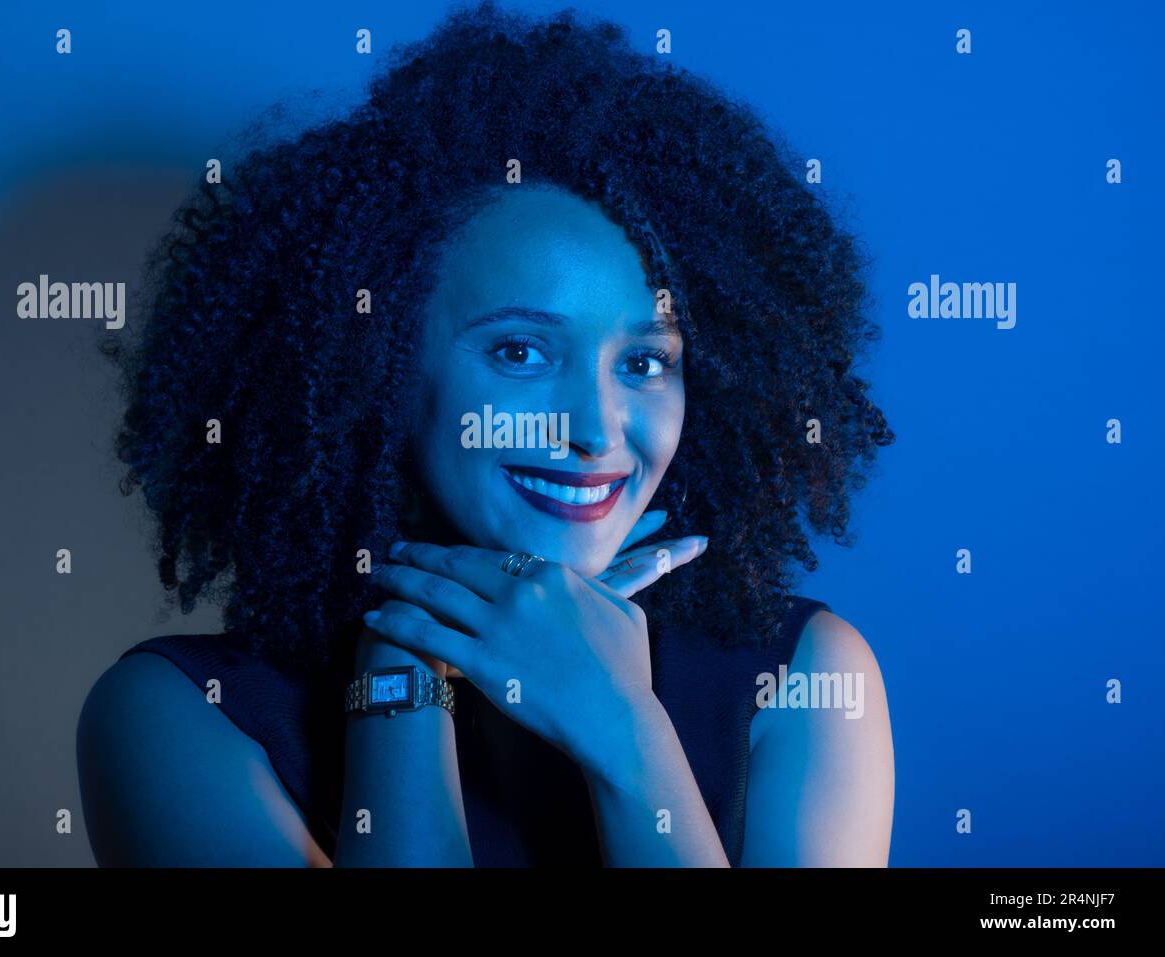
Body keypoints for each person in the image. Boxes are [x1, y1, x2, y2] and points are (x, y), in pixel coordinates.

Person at [77, 2, 896, 867]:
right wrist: (397, 686)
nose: (596, 429)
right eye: (519, 351)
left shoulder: (802, 678)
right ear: (377, 370)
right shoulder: (179, 714)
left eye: (646, 363)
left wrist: (624, 735)